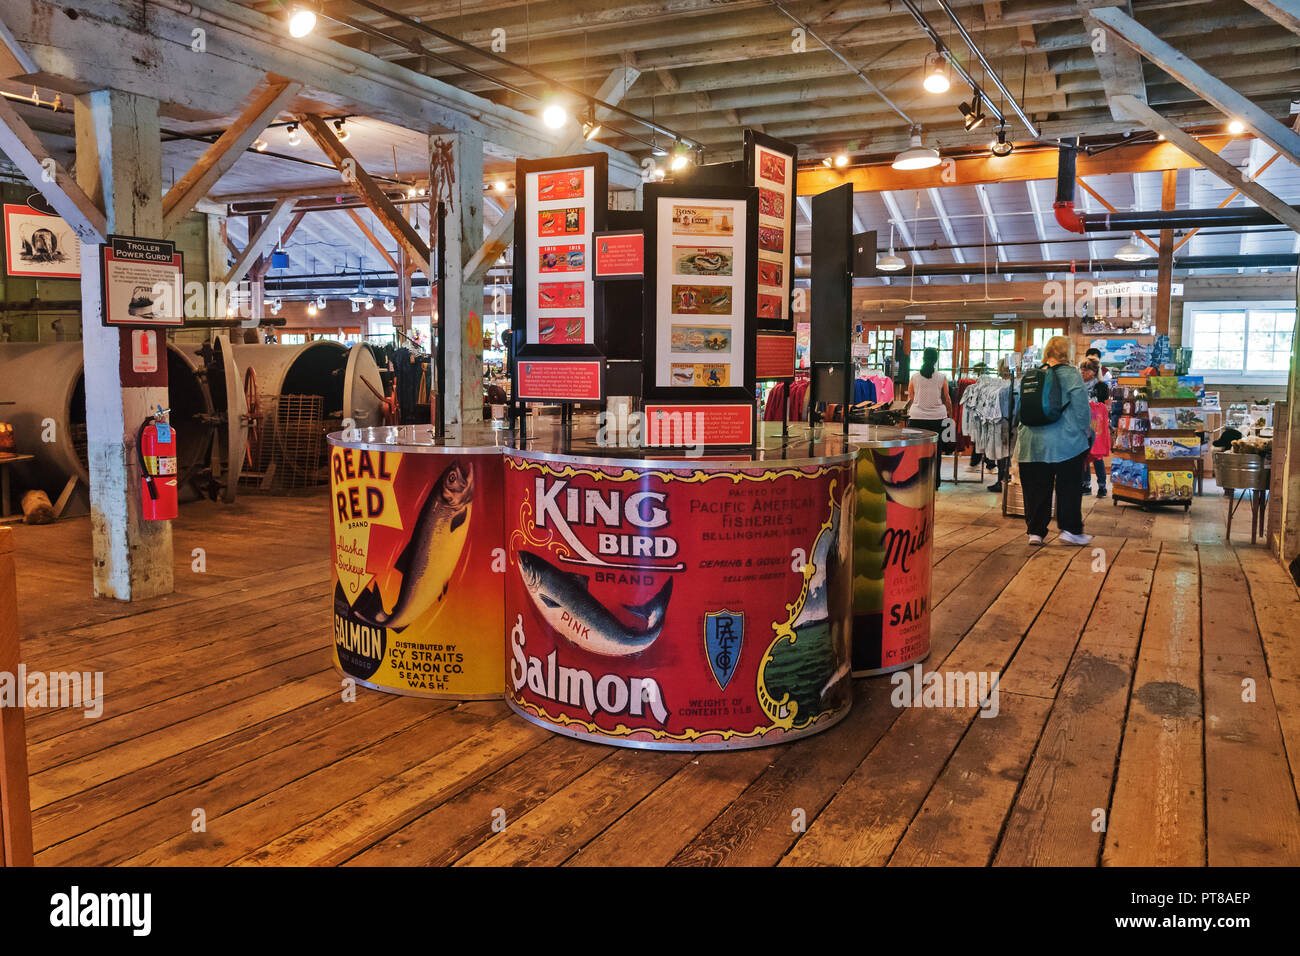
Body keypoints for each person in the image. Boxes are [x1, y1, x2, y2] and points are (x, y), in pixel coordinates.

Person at [1017, 335, 1093, 546]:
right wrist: (1087, 432)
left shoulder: (1033, 375)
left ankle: (1035, 532)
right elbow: (1081, 410)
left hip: (1031, 443)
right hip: (1065, 442)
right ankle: (1070, 530)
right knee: (1068, 485)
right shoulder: (1071, 374)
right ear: (1067, 353)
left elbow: (1018, 410)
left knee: (1036, 487)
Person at [905, 346, 952, 489]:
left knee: (916, 451)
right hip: (938, 418)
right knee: (935, 452)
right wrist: (949, 413)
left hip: (916, 417)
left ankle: (918, 482)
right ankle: (935, 483)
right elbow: (947, 398)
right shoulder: (942, 377)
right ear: (936, 360)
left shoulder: (914, 377)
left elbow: (911, 397)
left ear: (923, 358)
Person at [1083, 381, 1111, 498]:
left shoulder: (1093, 405)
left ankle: (1089, 485)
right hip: (1096, 434)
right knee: (1093, 459)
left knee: (1088, 458)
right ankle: (1100, 486)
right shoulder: (1104, 407)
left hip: (1090, 433)